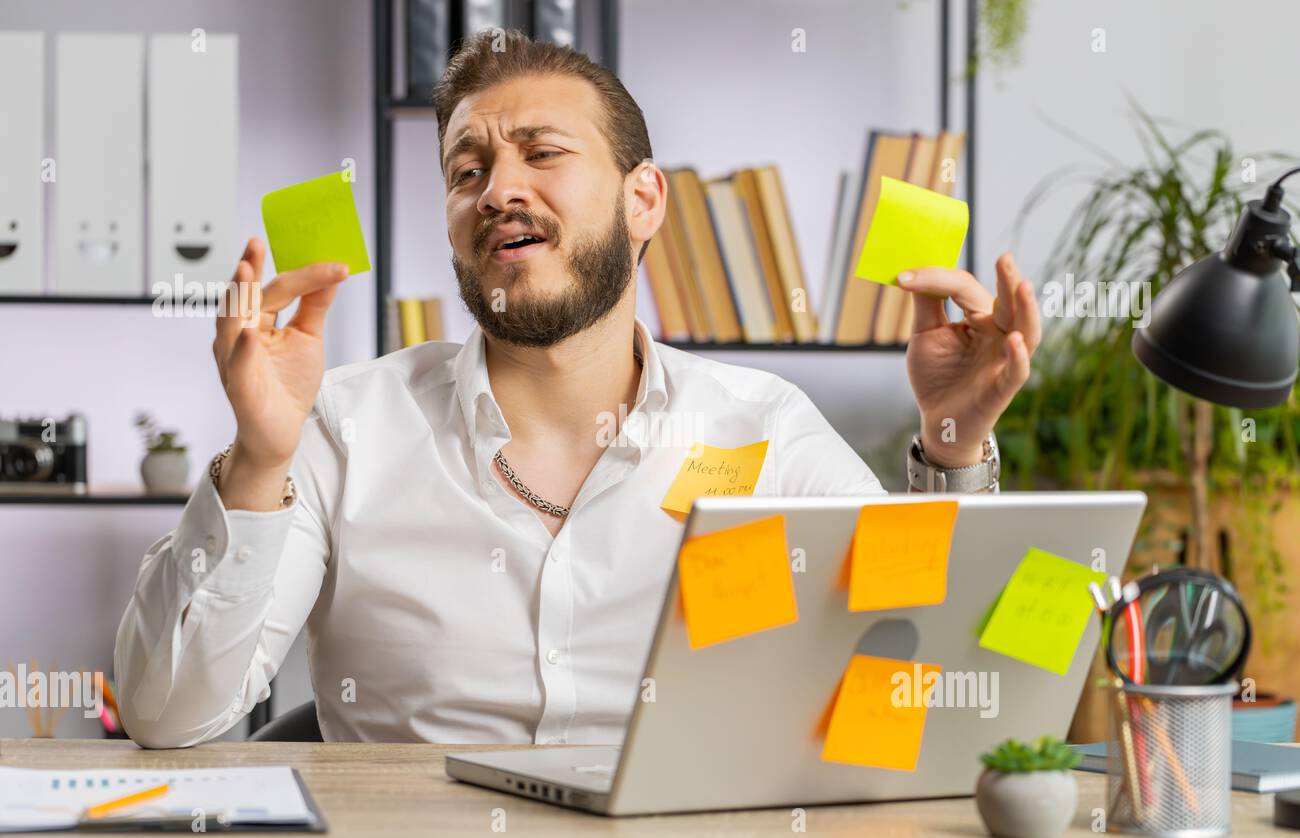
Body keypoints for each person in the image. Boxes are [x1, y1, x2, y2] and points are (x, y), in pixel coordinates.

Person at [114, 30, 1041, 749]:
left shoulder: (765, 426)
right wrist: (260, 459)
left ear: (644, 201)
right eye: (466, 170)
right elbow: (166, 715)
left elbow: (938, 679)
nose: (494, 190)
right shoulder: (344, 426)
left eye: (541, 153)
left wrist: (953, 442)